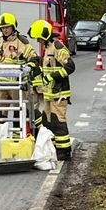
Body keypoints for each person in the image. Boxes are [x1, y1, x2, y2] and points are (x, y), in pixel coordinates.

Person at [29, 19, 76, 160]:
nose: (38, 41)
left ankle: (64, 152)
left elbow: (70, 67)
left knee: (58, 121)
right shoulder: (48, 48)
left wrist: (51, 77)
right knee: (47, 121)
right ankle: (54, 148)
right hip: (50, 93)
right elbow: (47, 69)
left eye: (38, 38)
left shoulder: (57, 47)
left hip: (60, 93)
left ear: (44, 35)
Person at [0, 13, 40, 129]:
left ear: (13, 27)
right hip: (1, 85)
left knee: (18, 111)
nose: (5, 30)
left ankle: (17, 137)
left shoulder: (22, 42)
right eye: (3, 28)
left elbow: (34, 58)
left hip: (16, 84)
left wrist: (28, 65)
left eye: (7, 27)